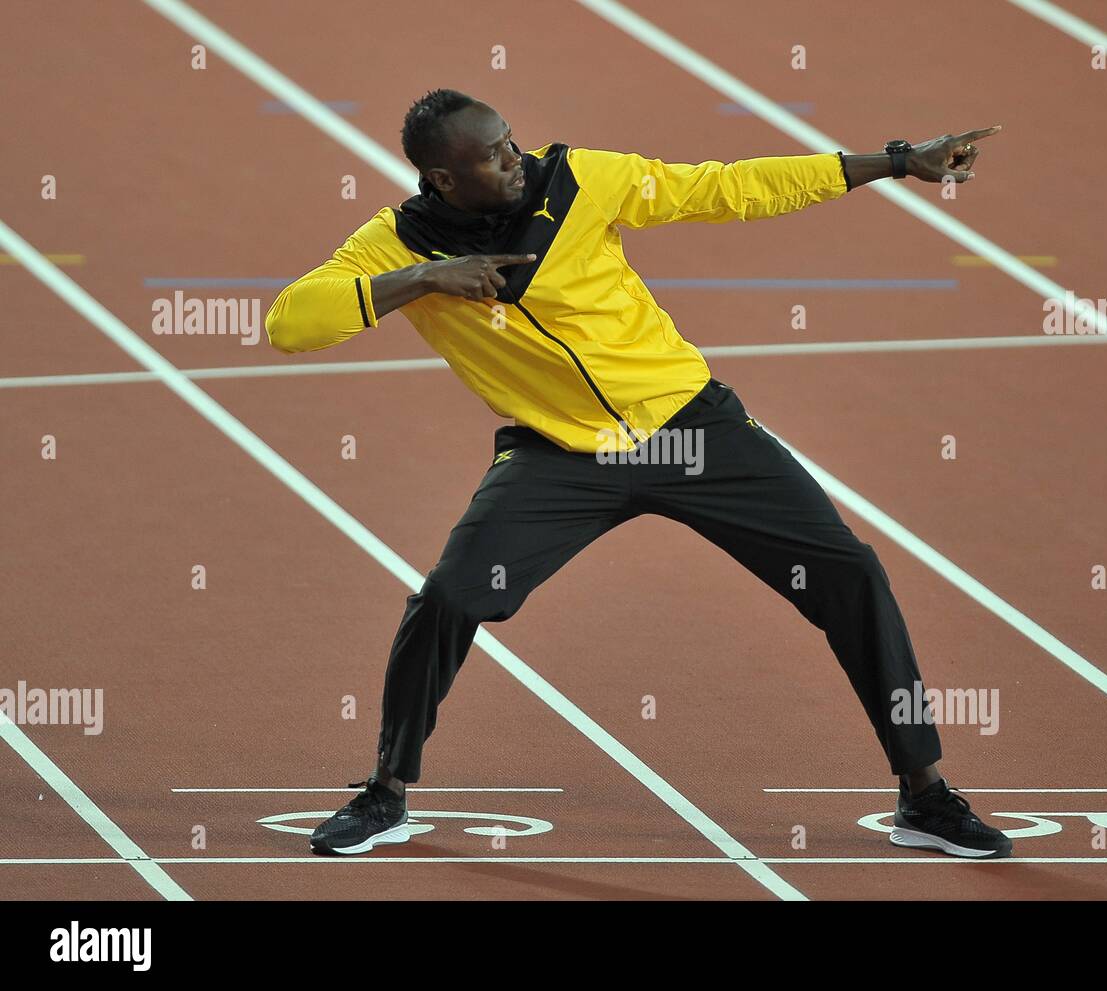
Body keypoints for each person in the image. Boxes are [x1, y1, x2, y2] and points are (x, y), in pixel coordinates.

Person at [266, 88, 1011, 861]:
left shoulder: (584, 181)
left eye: (512, 139)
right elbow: (289, 323)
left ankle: (924, 794)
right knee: (448, 597)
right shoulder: (398, 244)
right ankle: (386, 790)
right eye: (492, 155)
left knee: (850, 571)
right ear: (444, 180)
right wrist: (426, 281)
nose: (516, 157)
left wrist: (892, 162)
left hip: (691, 429)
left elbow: (728, 188)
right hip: (560, 457)